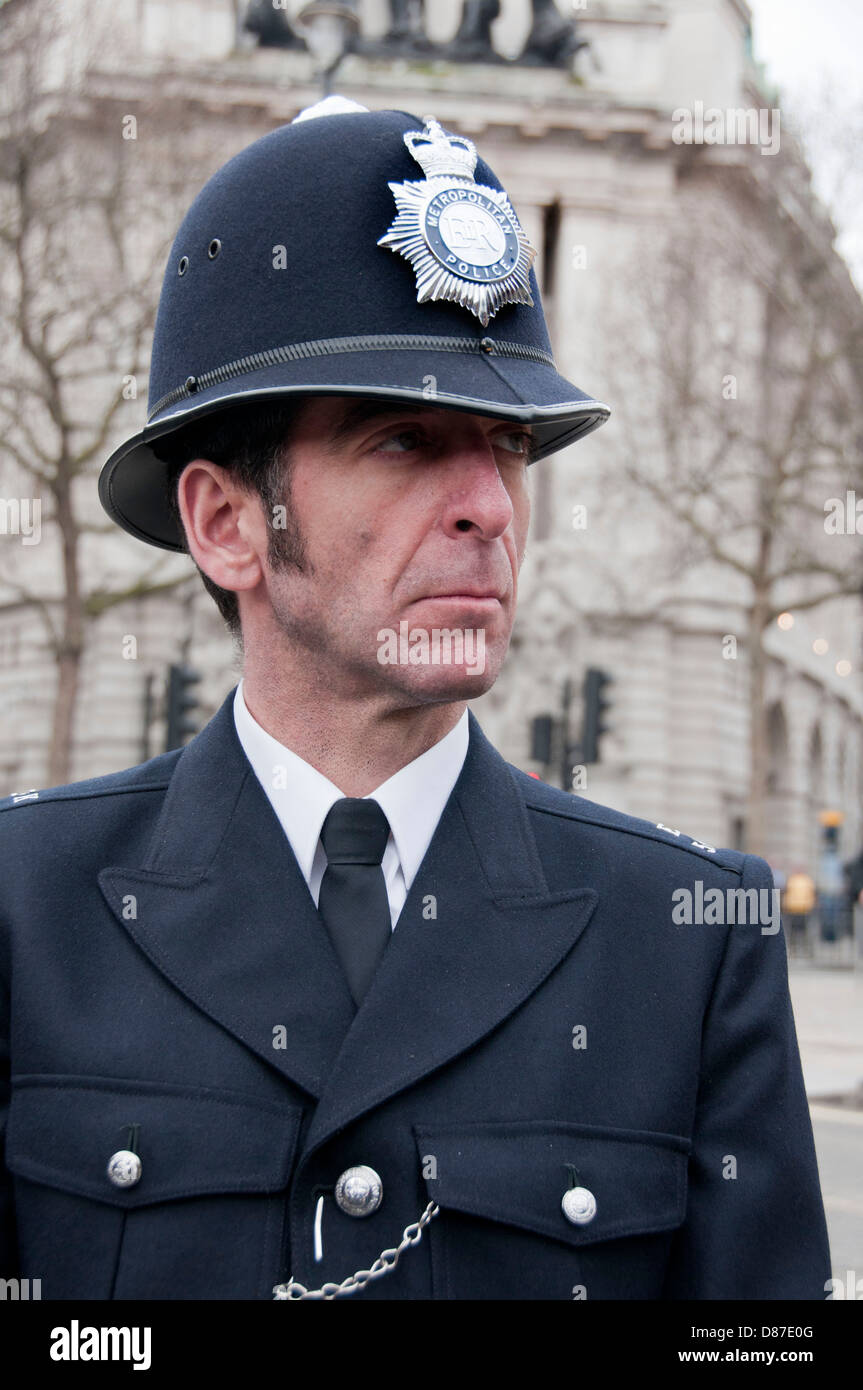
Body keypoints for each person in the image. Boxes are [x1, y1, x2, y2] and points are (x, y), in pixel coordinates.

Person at [0, 99, 830, 1300]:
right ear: (226, 523)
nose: (489, 506)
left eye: (504, 445)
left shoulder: (686, 940)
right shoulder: (27, 914)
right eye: (401, 440)